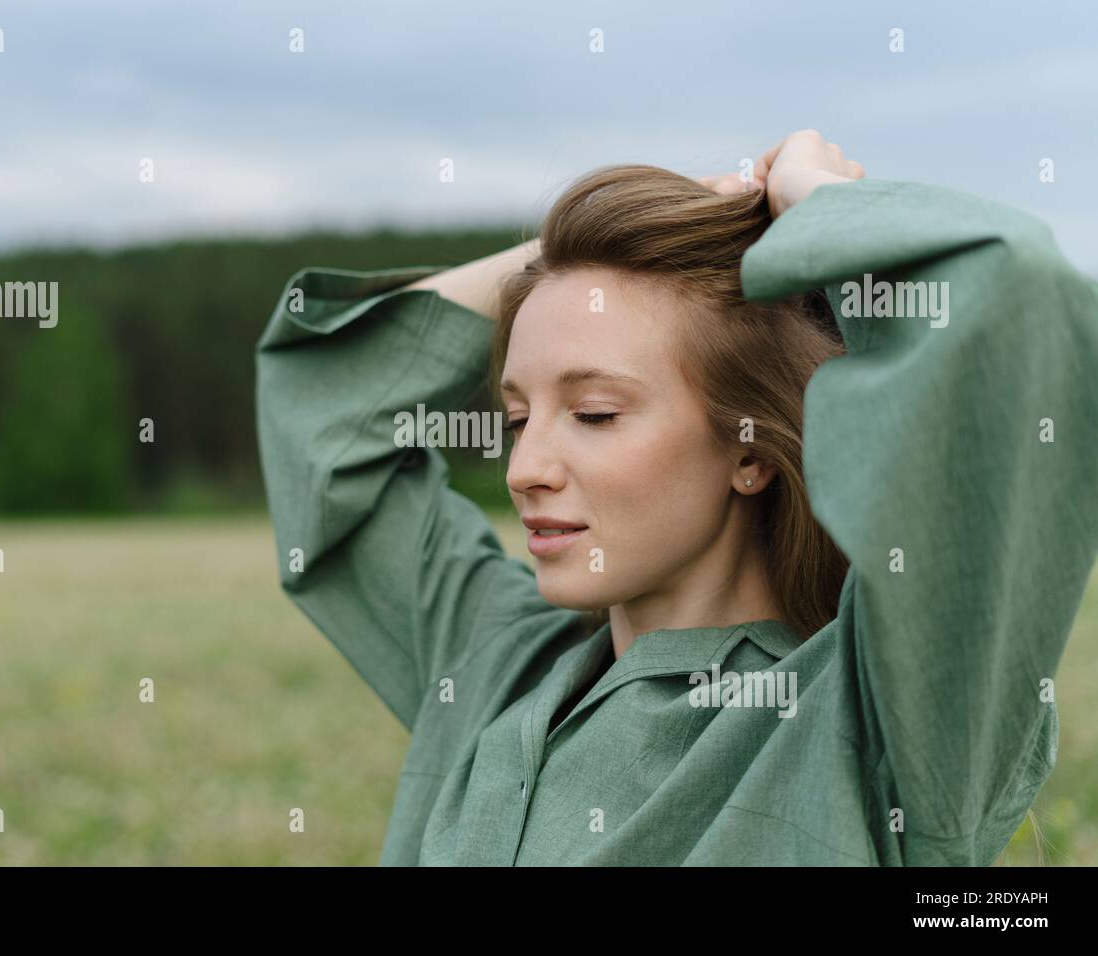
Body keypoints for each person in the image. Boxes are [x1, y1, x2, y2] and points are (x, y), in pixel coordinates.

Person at [254, 130, 1098, 865]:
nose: (523, 468)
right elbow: (324, 403)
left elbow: (1016, 306)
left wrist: (810, 206)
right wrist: (580, 256)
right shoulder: (491, 667)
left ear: (751, 452)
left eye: (592, 412)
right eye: (516, 417)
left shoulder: (881, 729)